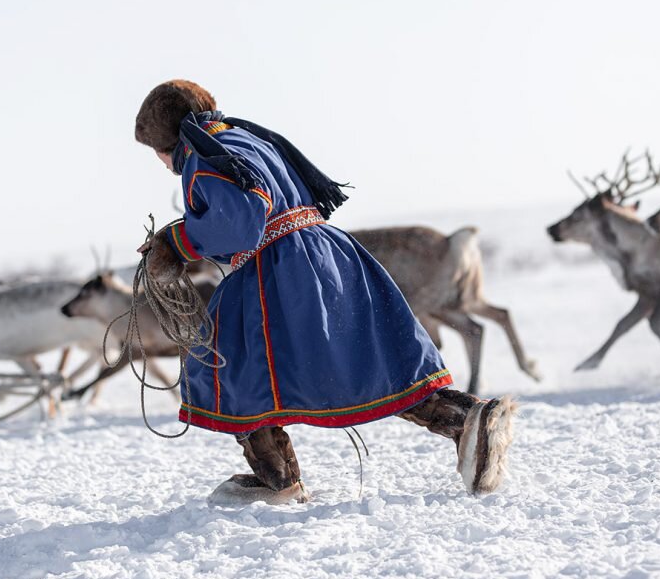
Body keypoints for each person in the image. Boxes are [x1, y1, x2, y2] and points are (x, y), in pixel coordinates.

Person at [135, 79, 515, 503]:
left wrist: (177, 242)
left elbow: (240, 223)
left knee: (228, 367)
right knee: (360, 359)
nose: (160, 161)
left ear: (167, 140)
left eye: (155, 151)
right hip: (323, 252)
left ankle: (277, 481)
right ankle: (468, 421)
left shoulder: (203, 157)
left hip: (279, 270)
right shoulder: (246, 139)